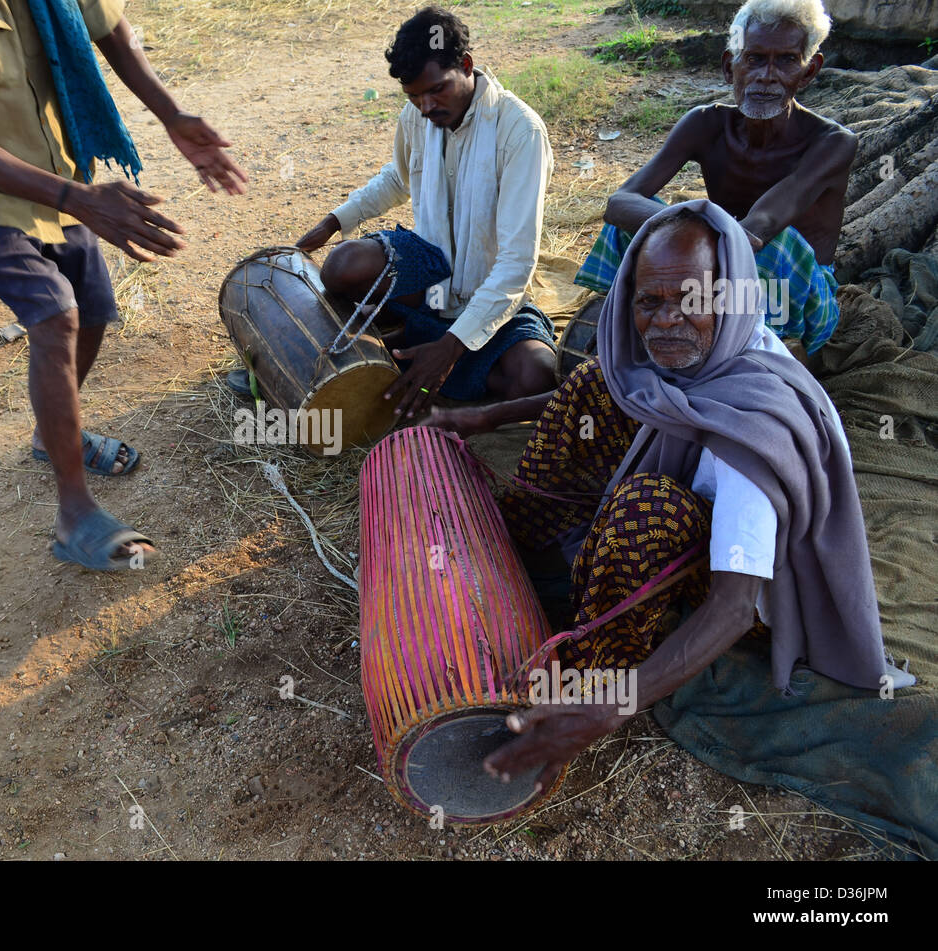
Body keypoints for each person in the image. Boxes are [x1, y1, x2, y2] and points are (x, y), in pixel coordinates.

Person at [428, 202, 886, 796]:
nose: (669, 320)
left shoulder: (754, 424)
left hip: (751, 594)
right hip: (698, 512)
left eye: (693, 301)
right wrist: (484, 419)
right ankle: (529, 535)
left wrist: (611, 707)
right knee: (596, 382)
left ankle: (591, 673)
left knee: (647, 510)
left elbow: (734, 609)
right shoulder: (698, 352)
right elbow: (618, 382)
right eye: (651, 302)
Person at [0, 0, 246, 571]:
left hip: (52, 166)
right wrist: (81, 201)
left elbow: (103, 23)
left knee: (92, 307)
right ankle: (74, 516)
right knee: (53, 312)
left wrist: (172, 114)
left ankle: (52, 436)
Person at [286, 6, 557, 421]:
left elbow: (517, 263)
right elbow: (398, 178)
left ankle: (418, 351)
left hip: (491, 294)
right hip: (431, 271)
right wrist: (334, 221)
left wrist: (451, 346)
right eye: (414, 96)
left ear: (465, 65)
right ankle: (417, 345)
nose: (426, 106)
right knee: (341, 266)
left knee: (536, 377)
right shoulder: (418, 116)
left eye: (437, 90)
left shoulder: (520, 132)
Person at [573, 0, 853, 358]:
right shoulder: (705, 123)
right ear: (728, 67)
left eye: (785, 60)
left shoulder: (832, 143)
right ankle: (623, 319)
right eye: (753, 59)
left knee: (779, 244)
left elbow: (761, 227)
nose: (766, 76)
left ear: (809, 71)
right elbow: (619, 202)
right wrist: (682, 232)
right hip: (719, 270)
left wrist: (689, 238)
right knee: (633, 221)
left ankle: (769, 347)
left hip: (793, 292)